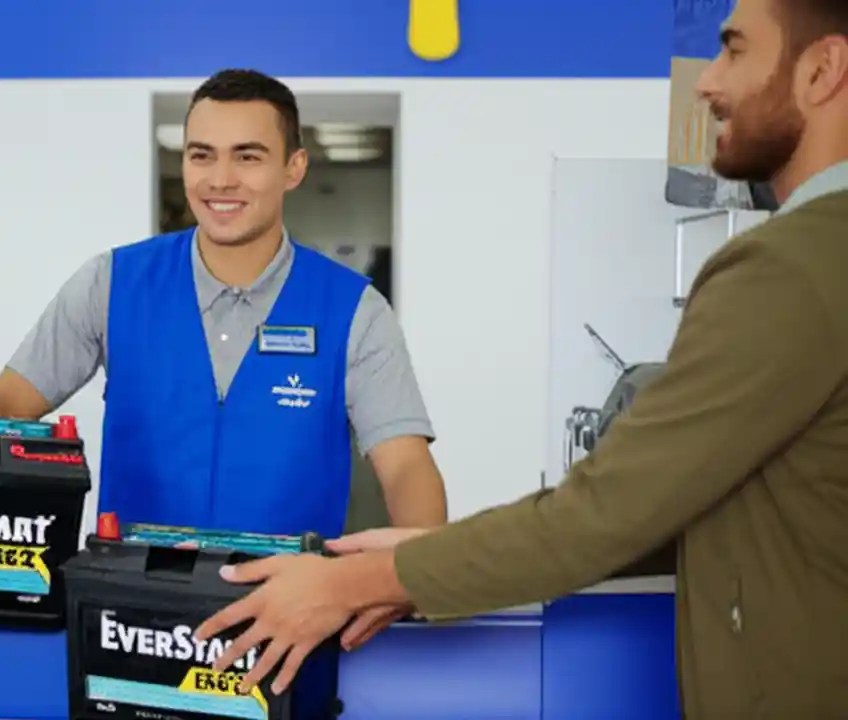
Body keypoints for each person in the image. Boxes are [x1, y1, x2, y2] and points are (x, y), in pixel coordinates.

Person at [193, 1, 848, 716]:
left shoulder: (789, 267)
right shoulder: (118, 281)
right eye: (202, 154)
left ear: (823, 70)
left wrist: (366, 580)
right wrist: (406, 562)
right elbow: (692, 514)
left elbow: (605, 514)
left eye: (735, 51)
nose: (706, 82)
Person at [0, 69, 448, 539]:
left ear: (293, 168)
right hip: (132, 607)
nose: (220, 179)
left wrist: (415, 576)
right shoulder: (112, 283)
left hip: (288, 610)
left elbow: (404, 464)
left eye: (247, 156)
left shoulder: (354, 309)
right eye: (201, 154)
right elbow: (11, 402)